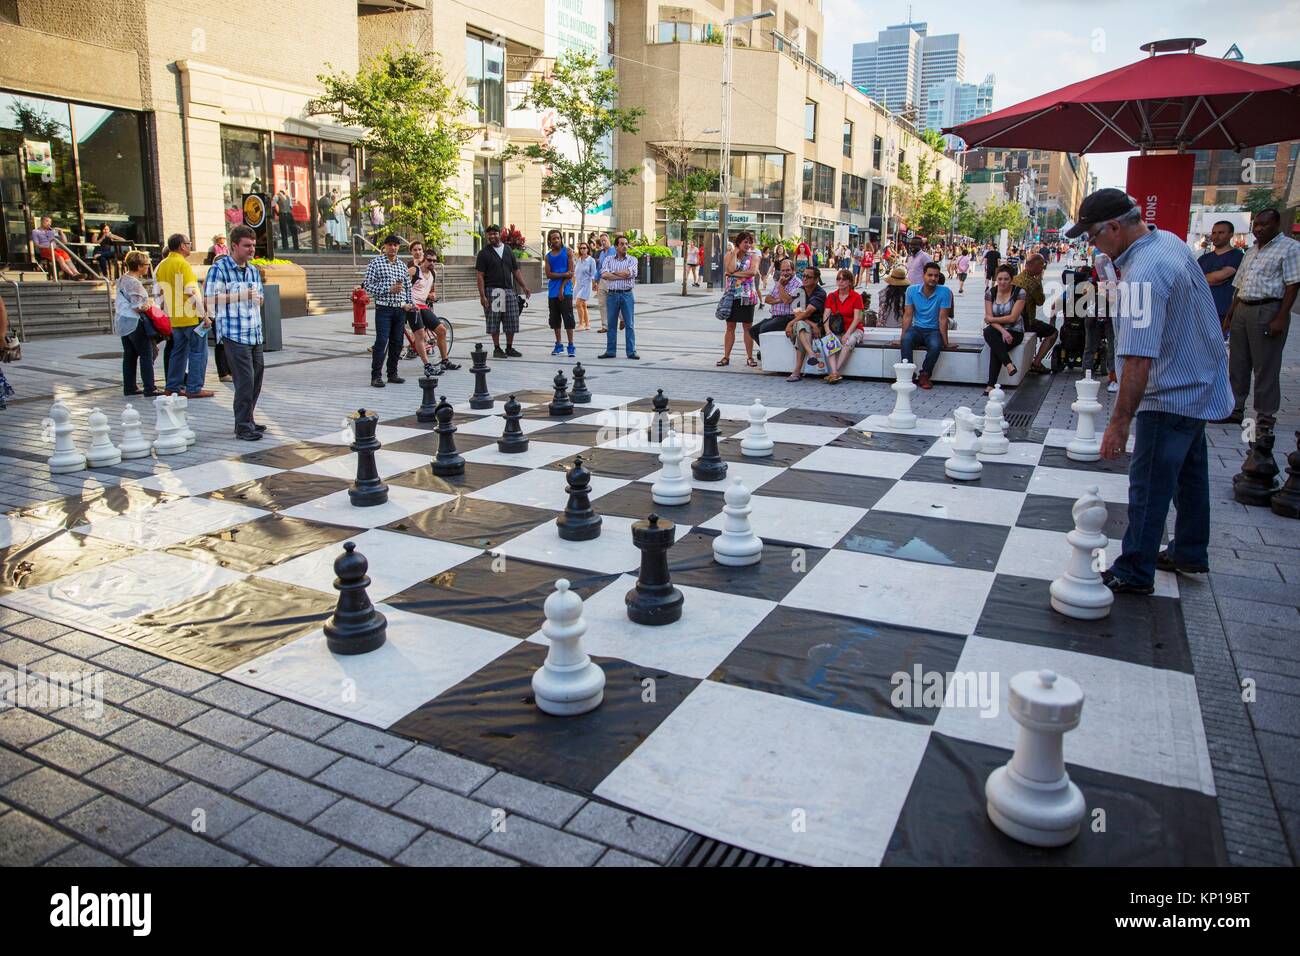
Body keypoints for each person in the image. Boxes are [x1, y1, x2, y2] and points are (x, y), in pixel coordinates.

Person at [1064, 188, 1232, 595]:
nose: (1091, 245)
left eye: (1092, 236)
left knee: (1149, 484)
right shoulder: (1169, 241)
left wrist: (1118, 424)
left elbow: (1137, 358)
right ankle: (1190, 550)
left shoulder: (1143, 274)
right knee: (1189, 478)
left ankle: (1135, 569)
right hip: (1198, 383)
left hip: (1168, 392)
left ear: (1115, 228)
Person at [1221, 208, 1300, 430]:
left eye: (1264, 225)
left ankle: (1265, 417)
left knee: (1265, 366)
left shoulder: (1290, 248)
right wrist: (1230, 315)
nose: (1259, 229)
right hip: (1243, 309)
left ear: (1276, 225)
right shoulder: (1252, 250)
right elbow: (1239, 284)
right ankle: (1235, 409)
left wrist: (1281, 317)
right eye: (1256, 225)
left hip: (1268, 309)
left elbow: (1293, 285)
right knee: (1237, 363)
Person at [205, 225, 268, 441]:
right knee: (244, 381)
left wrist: (258, 299)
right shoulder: (219, 269)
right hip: (234, 333)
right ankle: (242, 426)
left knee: (256, 379)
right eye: (247, 246)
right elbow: (209, 298)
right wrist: (240, 295)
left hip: (254, 332)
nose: (251, 249)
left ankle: (248, 419)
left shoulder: (252, 270)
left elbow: (258, 297)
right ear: (234, 246)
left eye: (253, 245)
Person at [155, 233, 213, 398]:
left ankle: (172, 386)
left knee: (178, 352)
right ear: (182, 245)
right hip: (190, 315)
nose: (190, 245)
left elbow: (161, 292)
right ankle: (194, 388)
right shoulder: (183, 264)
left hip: (175, 316)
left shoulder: (163, 265)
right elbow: (190, 291)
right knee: (198, 352)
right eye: (188, 243)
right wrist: (204, 316)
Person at [362, 234, 417, 386]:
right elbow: (367, 285)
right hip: (384, 308)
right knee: (381, 342)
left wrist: (409, 303)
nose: (393, 247)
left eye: (395, 245)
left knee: (397, 343)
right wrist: (388, 289)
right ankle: (376, 376)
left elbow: (407, 287)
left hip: (400, 310)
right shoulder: (376, 263)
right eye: (390, 245)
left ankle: (392, 373)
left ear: (399, 247)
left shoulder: (401, 265)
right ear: (384, 247)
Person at [475, 224, 531, 358]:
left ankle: (509, 347)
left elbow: (515, 270)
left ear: (500, 234)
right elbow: (480, 276)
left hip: (509, 290)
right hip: (493, 291)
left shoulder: (508, 250)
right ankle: (497, 348)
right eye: (490, 234)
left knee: (511, 319)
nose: (492, 236)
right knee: (494, 321)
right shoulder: (484, 253)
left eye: (495, 233)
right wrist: (482, 296)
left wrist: (524, 286)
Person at [114, 250, 160, 397]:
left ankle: (129, 386)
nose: (148, 267)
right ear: (139, 266)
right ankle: (149, 387)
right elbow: (138, 306)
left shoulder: (122, 279)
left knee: (129, 354)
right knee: (146, 354)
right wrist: (149, 303)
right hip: (135, 322)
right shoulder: (134, 283)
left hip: (123, 321)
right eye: (146, 264)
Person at [900, 262, 952, 389]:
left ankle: (925, 375)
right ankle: (907, 374)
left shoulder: (945, 292)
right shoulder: (911, 290)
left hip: (934, 330)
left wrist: (946, 342)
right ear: (923, 275)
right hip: (917, 329)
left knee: (935, 345)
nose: (933, 278)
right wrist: (901, 337)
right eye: (930, 275)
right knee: (906, 340)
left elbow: (943, 319)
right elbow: (908, 315)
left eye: (936, 276)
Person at [410, 253, 458, 373]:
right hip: (411, 306)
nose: (432, 263)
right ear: (423, 260)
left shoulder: (433, 273)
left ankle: (445, 361)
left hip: (423, 305)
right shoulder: (414, 270)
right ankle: (427, 366)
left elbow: (431, 289)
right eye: (429, 260)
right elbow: (401, 282)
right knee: (420, 334)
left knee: (441, 330)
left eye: (434, 261)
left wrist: (431, 295)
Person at [982, 264, 1026, 394]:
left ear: (1011, 279)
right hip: (998, 330)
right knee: (989, 332)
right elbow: (989, 317)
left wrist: (991, 320)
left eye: (1006, 279)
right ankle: (1009, 364)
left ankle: (991, 385)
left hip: (1015, 330)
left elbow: (1012, 318)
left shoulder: (1019, 292)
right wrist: (1002, 330)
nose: (1002, 282)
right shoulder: (990, 293)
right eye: (1000, 279)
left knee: (996, 347)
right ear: (996, 278)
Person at [719, 230, 760, 367]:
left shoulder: (754, 256)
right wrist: (735, 254)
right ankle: (726, 357)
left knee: (747, 326)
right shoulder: (729, 255)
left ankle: (749, 357)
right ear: (738, 243)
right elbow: (729, 269)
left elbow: (752, 272)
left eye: (750, 242)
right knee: (730, 326)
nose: (748, 245)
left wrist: (734, 274)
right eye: (745, 242)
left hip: (747, 295)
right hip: (732, 295)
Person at [1012, 254, 1058, 374]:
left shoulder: (1015, 278)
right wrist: (1039, 281)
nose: (1043, 269)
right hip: (1027, 322)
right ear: (1036, 265)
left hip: (1011, 319)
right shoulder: (1033, 283)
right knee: (1052, 332)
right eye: (1042, 266)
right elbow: (1040, 301)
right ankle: (1036, 362)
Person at [1198, 220, 1243, 342]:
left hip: (1222, 311)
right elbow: (1192, 279)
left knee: (1216, 347)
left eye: (1221, 232)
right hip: (1200, 309)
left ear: (1230, 234)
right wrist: (1207, 279)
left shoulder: (1237, 256)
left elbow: (1219, 277)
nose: (1216, 236)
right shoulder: (1203, 258)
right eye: (1214, 232)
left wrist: (1203, 279)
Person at [597, 234, 638, 359]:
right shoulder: (608, 259)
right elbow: (604, 275)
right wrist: (622, 275)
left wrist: (612, 274)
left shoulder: (632, 260)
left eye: (626, 244)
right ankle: (610, 351)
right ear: (616, 246)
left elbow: (629, 273)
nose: (625, 246)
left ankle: (631, 352)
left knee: (629, 324)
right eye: (622, 244)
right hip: (612, 295)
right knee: (611, 324)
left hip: (627, 294)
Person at [785, 266, 828, 382]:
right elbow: (798, 313)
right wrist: (810, 324)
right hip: (808, 325)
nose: (804, 278)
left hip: (818, 327)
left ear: (816, 279)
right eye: (803, 275)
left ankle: (796, 372)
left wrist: (791, 323)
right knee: (800, 325)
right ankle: (811, 354)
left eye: (808, 277)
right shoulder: (799, 291)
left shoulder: (820, 293)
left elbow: (808, 312)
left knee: (800, 327)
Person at [824, 270, 866, 384]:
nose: (840, 282)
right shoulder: (832, 296)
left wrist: (847, 334)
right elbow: (826, 315)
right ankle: (834, 372)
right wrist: (827, 331)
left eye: (844, 279)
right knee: (829, 341)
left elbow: (857, 318)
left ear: (850, 282)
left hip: (854, 328)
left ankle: (835, 372)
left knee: (849, 341)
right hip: (837, 329)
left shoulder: (856, 297)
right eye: (838, 279)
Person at [544, 229, 577, 357]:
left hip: (566, 291)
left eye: (558, 238)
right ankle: (558, 344)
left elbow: (571, 273)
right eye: (553, 238)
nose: (556, 240)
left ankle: (571, 345)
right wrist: (563, 274)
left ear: (561, 239)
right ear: (550, 241)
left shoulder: (567, 252)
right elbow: (548, 274)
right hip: (552, 293)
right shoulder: (548, 256)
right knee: (555, 320)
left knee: (568, 318)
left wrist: (562, 288)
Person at [752, 258, 799, 343]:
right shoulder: (780, 281)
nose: (785, 273)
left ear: (793, 271)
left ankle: (769, 350)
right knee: (753, 330)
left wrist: (780, 286)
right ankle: (766, 350)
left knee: (764, 329)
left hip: (788, 317)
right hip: (776, 317)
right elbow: (767, 299)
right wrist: (780, 299)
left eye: (788, 270)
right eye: (783, 270)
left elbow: (786, 300)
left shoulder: (797, 283)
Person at [573, 242, 596, 331]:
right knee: (583, 305)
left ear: (588, 249)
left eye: (584, 248)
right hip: (578, 285)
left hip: (586, 284)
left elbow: (593, 274)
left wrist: (594, 284)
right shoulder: (578, 259)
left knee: (578, 303)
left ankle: (581, 324)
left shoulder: (591, 260)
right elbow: (575, 273)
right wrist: (573, 284)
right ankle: (587, 324)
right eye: (581, 248)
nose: (582, 249)